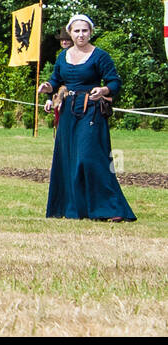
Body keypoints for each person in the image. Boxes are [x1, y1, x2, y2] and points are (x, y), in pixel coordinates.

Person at [37, 15, 135, 222]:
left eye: (84, 31)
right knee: (68, 158)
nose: (81, 35)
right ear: (70, 33)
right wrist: (48, 88)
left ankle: (111, 208)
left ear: (91, 32)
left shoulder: (100, 56)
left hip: (91, 111)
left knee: (89, 157)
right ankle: (74, 208)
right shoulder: (63, 57)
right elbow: (56, 80)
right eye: (76, 31)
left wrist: (104, 89)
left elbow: (115, 82)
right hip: (67, 113)